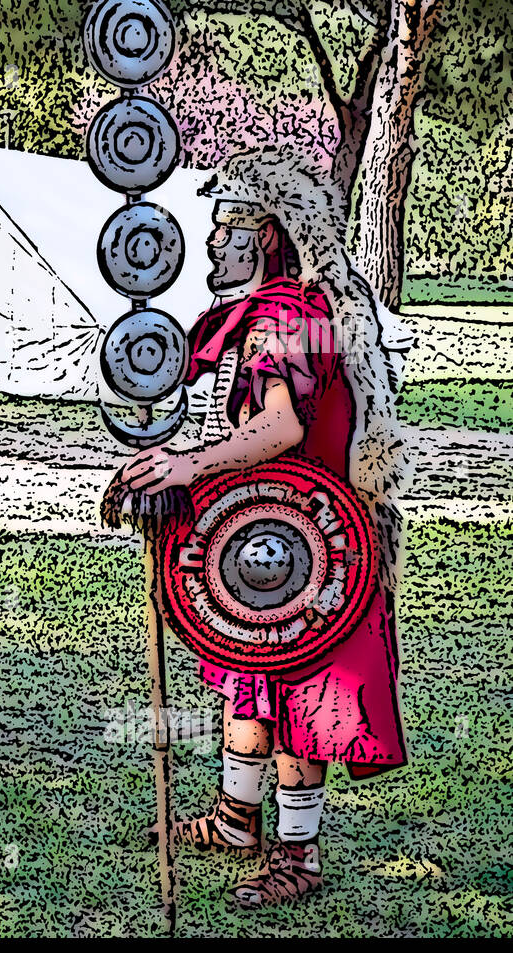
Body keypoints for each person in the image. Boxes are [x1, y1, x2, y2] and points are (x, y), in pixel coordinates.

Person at [115, 147, 408, 907]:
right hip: (277, 530)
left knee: (296, 692)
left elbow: (278, 426)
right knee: (250, 675)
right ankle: (236, 820)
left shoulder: (285, 317)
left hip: (309, 544)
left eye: (226, 230)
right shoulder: (286, 313)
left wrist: (188, 467)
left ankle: (298, 857)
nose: (211, 245)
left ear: (267, 237)